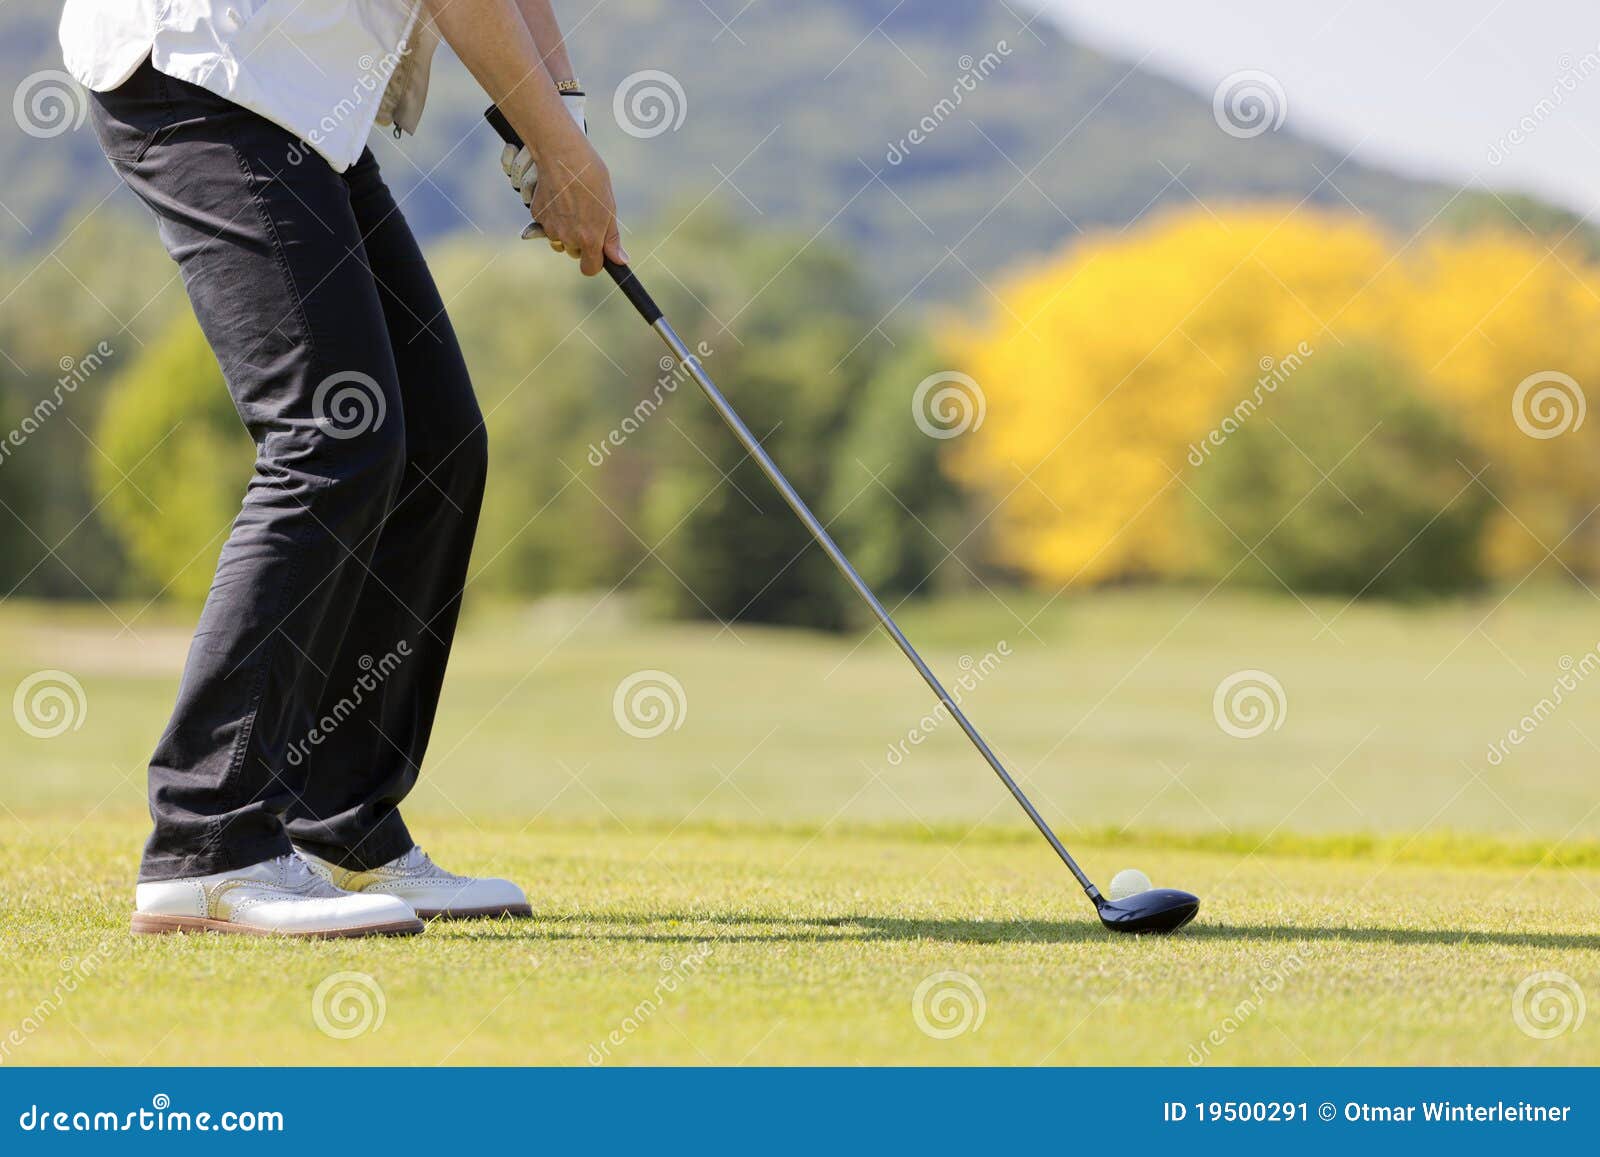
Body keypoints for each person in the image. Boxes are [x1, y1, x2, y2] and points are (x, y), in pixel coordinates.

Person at [57, 0, 623, 937]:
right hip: (202, 71)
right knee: (331, 437)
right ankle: (210, 841)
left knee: (436, 449)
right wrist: (560, 151)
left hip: (309, 103)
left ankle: (337, 821)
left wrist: (558, 121)